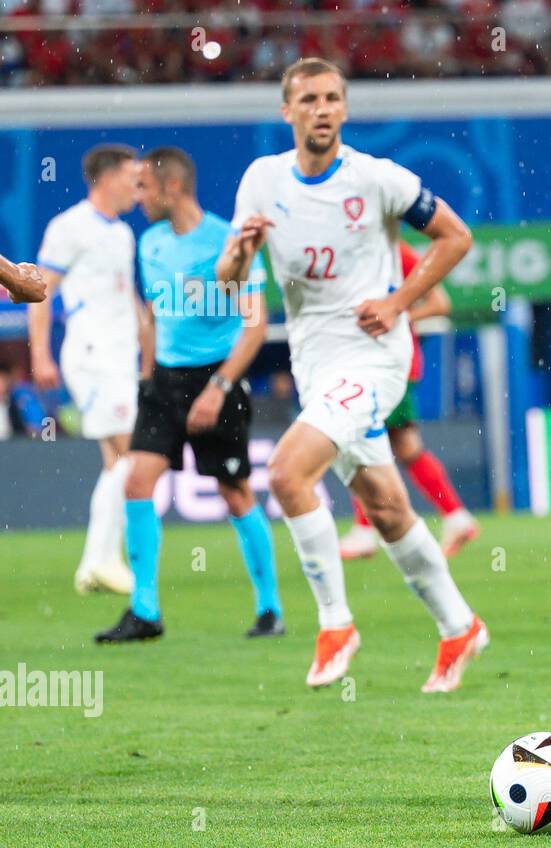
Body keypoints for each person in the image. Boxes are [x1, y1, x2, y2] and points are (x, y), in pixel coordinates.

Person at [218, 58, 486, 692]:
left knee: (286, 472)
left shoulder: (378, 178)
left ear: (344, 107)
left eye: (333, 97)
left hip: (375, 359)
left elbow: (456, 237)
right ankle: (460, 627)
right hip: (315, 364)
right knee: (387, 508)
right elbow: (230, 281)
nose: (322, 109)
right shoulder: (262, 180)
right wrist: (238, 255)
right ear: (288, 111)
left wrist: (397, 302)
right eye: (309, 99)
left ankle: (336, 622)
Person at [94, 146, 285, 644]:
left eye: (144, 188)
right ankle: (145, 611)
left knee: (234, 492)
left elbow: (255, 327)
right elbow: (154, 314)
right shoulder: (150, 243)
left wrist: (218, 389)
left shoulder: (230, 241)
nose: (138, 199)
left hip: (216, 380)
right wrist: (147, 375)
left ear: (171, 188)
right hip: (165, 382)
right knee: (137, 482)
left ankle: (270, 609)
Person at [28, 144, 150, 595]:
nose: (139, 188)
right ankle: (104, 560)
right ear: (106, 178)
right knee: (133, 453)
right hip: (92, 354)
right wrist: (40, 354)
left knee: (117, 461)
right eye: (132, 177)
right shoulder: (70, 227)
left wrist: (147, 348)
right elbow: (38, 290)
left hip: (120, 358)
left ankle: (93, 565)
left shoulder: (121, 234)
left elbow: (128, 298)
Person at [338, 240, 479, 560]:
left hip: (388, 365)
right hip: (375, 364)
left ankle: (365, 530)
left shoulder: (395, 252)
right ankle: (455, 515)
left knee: (359, 440)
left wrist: (396, 312)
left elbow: (440, 303)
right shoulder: (352, 251)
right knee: (403, 447)